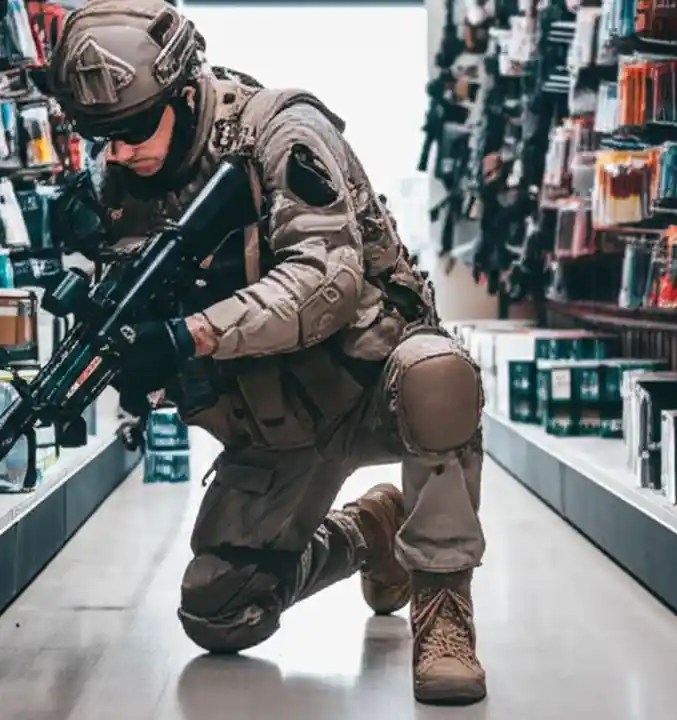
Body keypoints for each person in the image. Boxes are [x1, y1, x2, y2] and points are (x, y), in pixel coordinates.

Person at [46, 0, 488, 705]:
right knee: (220, 614)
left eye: (130, 131)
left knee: (442, 375)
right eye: (98, 136)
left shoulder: (281, 133)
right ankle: (372, 533)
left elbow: (327, 283)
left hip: (373, 382)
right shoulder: (123, 183)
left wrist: (188, 335)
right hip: (276, 422)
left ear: (184, 95)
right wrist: (140, 368)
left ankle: (443, 617)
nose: (116, 154)